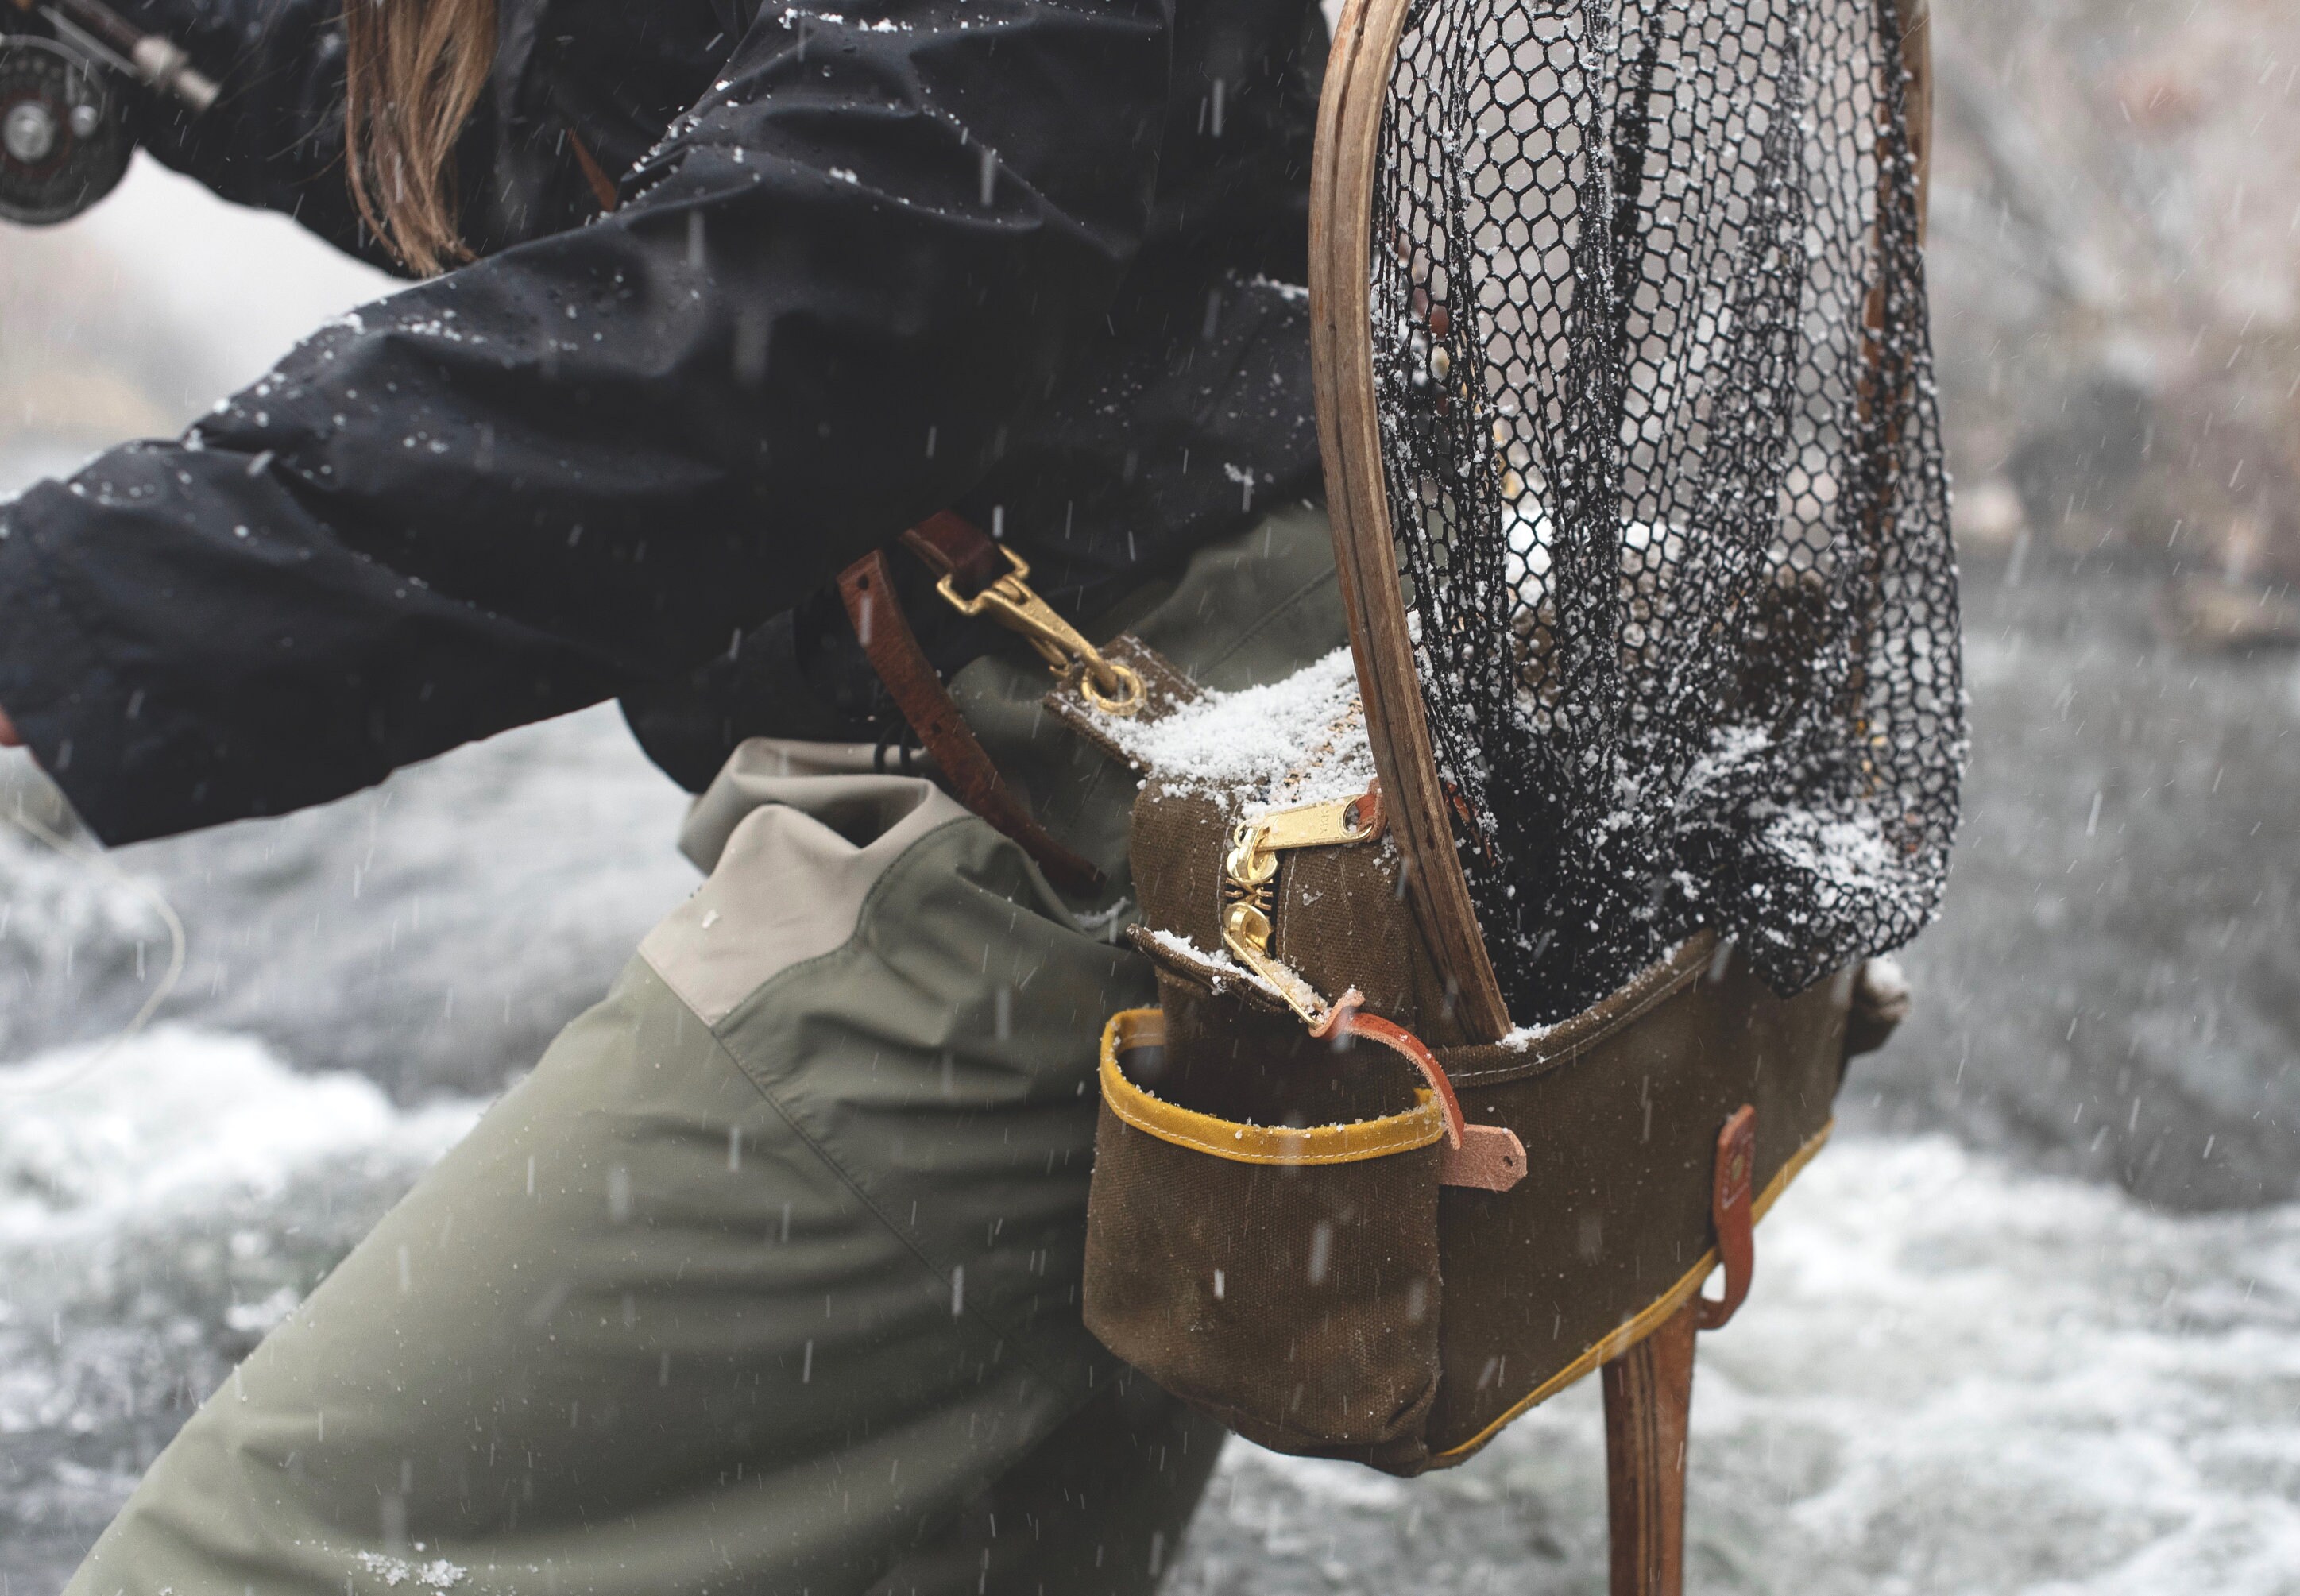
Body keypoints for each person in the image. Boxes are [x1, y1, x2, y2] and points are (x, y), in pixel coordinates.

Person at [0, 0, 1349, 1589]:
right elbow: (570, 133)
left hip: (1143, 846)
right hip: (1180, 817)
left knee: (241, 1565)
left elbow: (747, 352)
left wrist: (52, 619)